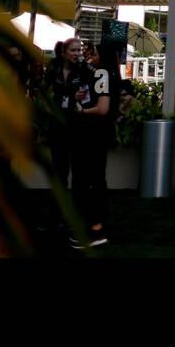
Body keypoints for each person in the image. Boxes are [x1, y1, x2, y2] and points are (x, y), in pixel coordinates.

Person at [71, 41, 122, 248]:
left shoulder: (101, 73)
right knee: (96, 179)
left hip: (94, 134)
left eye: (95, 52)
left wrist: (82, 111)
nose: (92, 55)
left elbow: (102, 108)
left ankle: (95, 229)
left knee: (90, 181)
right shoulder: (112, 73)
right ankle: (96, 227)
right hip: (102, 134)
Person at [41, 37, 90, 192]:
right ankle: (60, 203)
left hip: (78, 124)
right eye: (73, 50)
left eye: (79, 50)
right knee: (59, 166)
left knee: (78, 167)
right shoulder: (54, 68)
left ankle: (78, 204)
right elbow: (42, 91)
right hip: (58, 124)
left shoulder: (84, 69)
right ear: (63, 52)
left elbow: (99, 85)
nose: (77, 53)